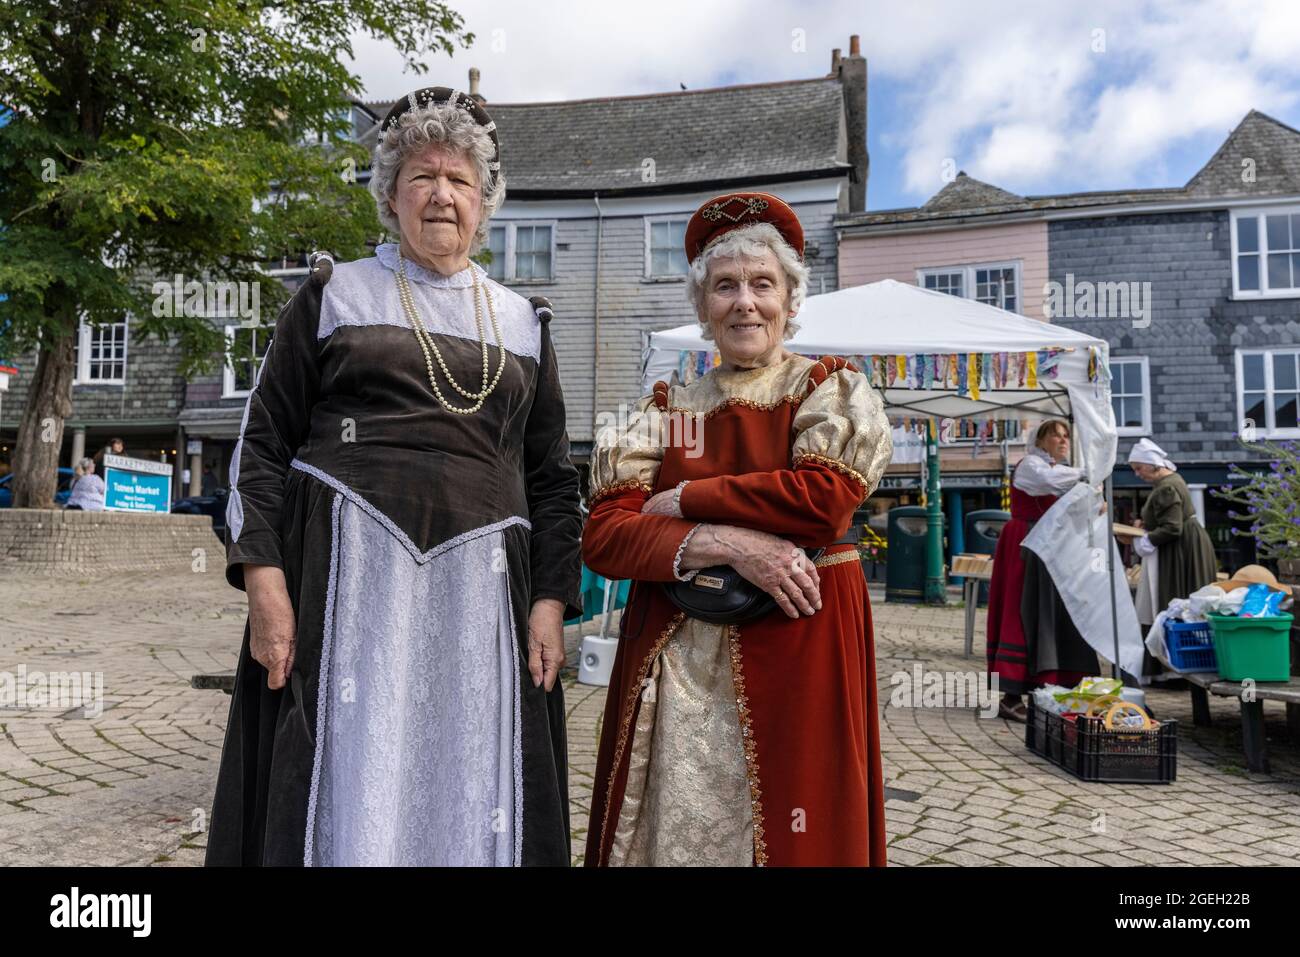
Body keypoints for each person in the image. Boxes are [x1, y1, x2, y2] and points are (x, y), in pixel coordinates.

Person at [205, 87, 583, 866]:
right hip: (346, 587)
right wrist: (266, 585)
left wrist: (550, 600)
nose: (442, 193)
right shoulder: (332, 293)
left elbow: (552, 480)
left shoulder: (524, 323)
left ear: (485, 204)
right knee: (352, 769)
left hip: (483, 599)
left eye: (460, 180)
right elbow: (261, 446)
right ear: (389, 193)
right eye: (422, 175)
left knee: (470, 776)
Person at [581, 192, 893, 867]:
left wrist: (686, 496)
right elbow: (606, 534)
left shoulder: (826, 387)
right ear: (703, 305)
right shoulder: (670, 408)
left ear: (790, 299)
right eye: (725, 286)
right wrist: (726, 543)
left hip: (798, 634)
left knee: (800, 825)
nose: (745, 302)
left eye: (763, 284)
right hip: (676, 654)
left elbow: (822, 501)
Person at [985, 420, 1098, 721]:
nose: (1062, 441)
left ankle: (1050, 686)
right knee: (1024, 610)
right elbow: (1048, 481)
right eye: (1055, 435)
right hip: (1027, 543)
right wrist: (1088, 474)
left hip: (1052, 546)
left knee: (1053, 614)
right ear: (1041, 439)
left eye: (1066, 436)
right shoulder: (1031, 465)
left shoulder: (1064, 472)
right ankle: (1011, 694)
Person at [1128, 438, 1218, 658]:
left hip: (1180, 549)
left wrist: (1143, 540)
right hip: (1184, 544)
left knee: (1175, 599)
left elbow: (1171, 528)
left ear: (1152, 464)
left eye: (1139, 468)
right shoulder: (1170, 483)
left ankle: (1177, 663)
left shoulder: (1166, 488)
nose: (1137, 474)